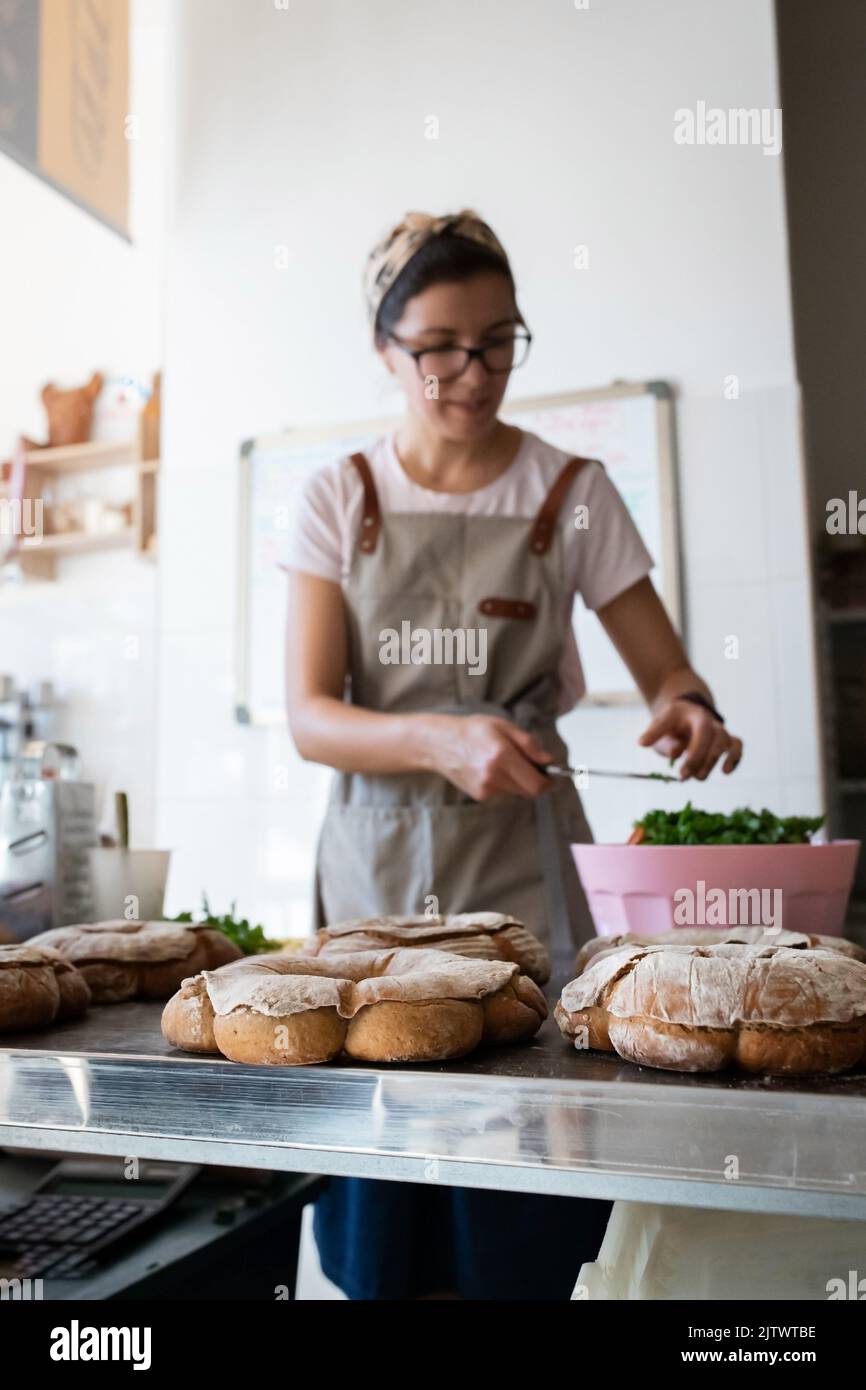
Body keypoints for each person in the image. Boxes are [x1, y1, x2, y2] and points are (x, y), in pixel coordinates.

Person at [284, 209, 743, 1300]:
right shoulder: (334, 497)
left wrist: (687, 708)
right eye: (439, 345)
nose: (472, 371)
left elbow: (668, 671)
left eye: (498, 340)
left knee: (522, 1208)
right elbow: (309, 716)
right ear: (384, 348)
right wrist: (436, 738)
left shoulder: (569, 494)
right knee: (384, 1208)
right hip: (370, 886)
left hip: (523, 871)